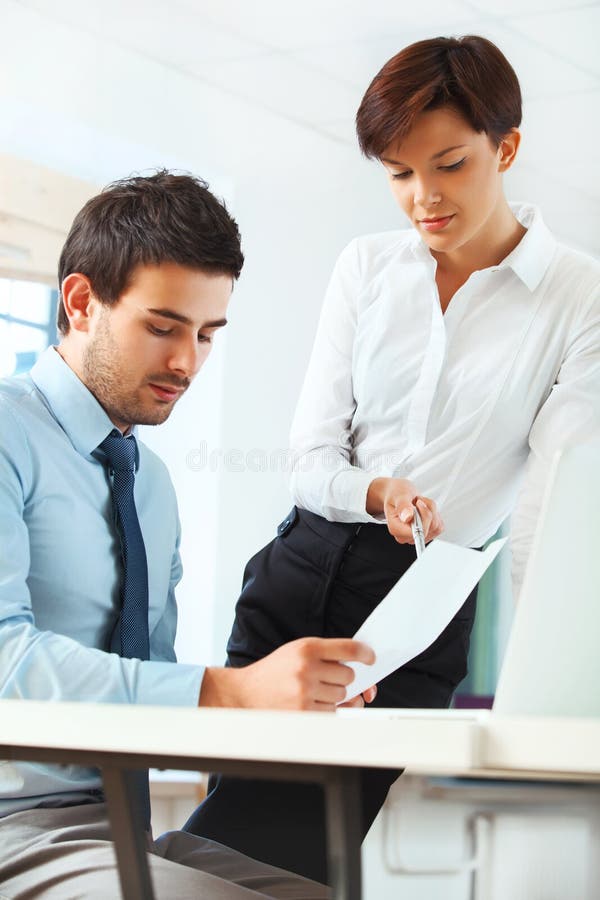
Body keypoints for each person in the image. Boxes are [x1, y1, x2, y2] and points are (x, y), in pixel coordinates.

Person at [185, 34, 600, 885]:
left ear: (506, 149)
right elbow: (308, 459)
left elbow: (553, 501)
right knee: (234, 830)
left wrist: (539, 680)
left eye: (449, 165)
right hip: (297, 569)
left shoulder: (577, 295)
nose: (423, 197)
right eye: (399, 172)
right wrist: (377, 491)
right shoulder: (367, 267)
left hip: (414, 610)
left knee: (294, 849)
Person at [0, 170, 377, 899]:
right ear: (80, 302)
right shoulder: (7, 432)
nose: (186, 363)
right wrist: (230, 691)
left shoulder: (151, 484)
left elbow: (152, 690)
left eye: (206, 335)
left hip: (120, 833)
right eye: (162, 327)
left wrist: (288, 700)